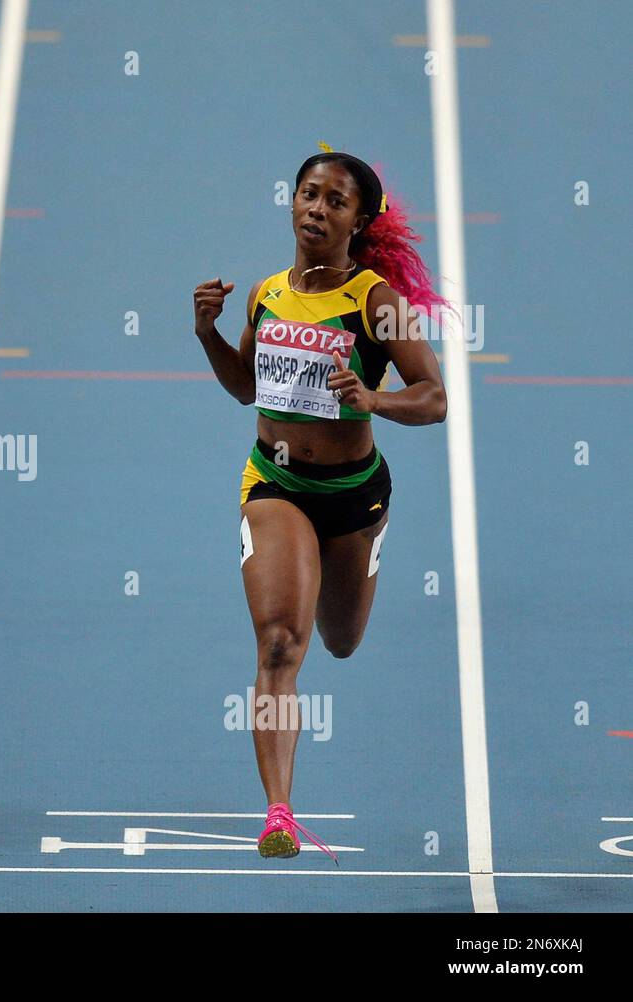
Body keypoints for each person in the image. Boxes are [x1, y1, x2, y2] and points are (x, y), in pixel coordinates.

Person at [192, 147, 447, 859]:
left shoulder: (374, 304)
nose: (316, 208)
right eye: (309, 194)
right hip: (274, 486)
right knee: (279, 644)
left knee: (340, 640)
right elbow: (246, 388)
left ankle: (364, 556)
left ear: (358, 221)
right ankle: (279, 811)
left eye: (335, 201)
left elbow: (435, 398)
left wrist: (373, 399)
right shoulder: (266, 294)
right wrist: (207, 333)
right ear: (292, 202)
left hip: (353, 498)